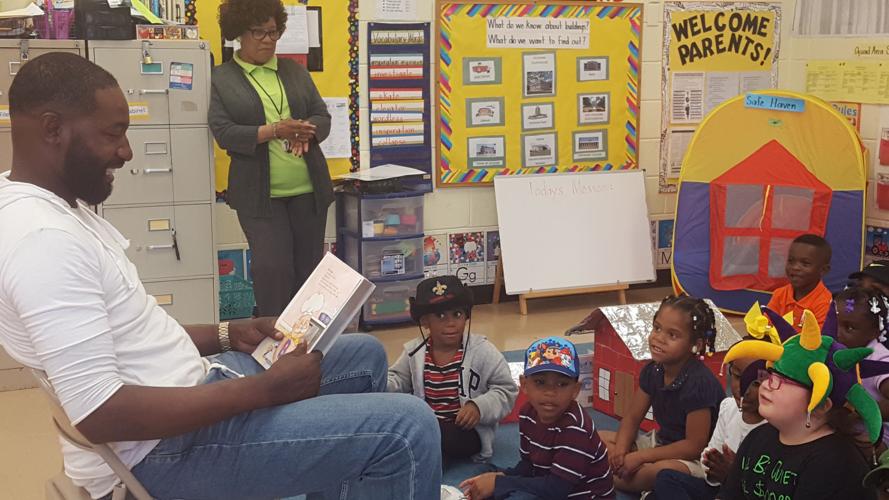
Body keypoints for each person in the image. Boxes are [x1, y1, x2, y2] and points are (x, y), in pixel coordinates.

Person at [0, 52, 440, 499]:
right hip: (162, 453)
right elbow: (98, 413)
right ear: (52, 129)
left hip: (187, 392)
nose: (126, 151)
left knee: (361, 354)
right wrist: (264, 391)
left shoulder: (49, 208)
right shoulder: (43, 240)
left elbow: (131, 335)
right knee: (408, 430)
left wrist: (230, 333)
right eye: (113, 134)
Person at [209, 0, 334, 316]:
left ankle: (307, 347)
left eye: (273, 31)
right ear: (239, 33)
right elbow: (225, 132)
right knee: (273, 271)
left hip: (308, 192)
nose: (268, 39)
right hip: (259, 197)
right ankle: (274, 349)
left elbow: (322, 116)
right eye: (258, 32)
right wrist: (275, 130)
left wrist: (307, 129)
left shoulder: (294, 71)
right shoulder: (221, 78)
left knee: (309, 275)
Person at [720, 309, 881, 500]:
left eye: (785, 380)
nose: (768, 385)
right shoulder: (759, 436)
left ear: (821, 406)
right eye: (771, 374)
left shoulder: (834, 462)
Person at [460, 337, 614, 500]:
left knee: (514, 494)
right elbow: (529, 466)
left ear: (575, 390)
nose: (550, 392)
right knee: (483, 473)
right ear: (524, 385)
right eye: (540, 382)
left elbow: (557, 489)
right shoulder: (527, 413)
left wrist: (501, 483)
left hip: (577, 494)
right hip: (547, 481)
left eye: (562, 384)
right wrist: (499, 478)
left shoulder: (575, 428)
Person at [599, 296, 725, 494]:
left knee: (661, 471)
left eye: (672, 335)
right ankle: (616, 472)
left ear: (697, 345)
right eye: (657, 328)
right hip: (660, 442)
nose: (658, 338)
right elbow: (632, 418)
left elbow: (694, 446)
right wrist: (621, 449)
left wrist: (641, 457)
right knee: (598, 438)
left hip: (693, 459)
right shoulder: (654, 370)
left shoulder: (698, 382)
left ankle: (608, 478)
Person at [388, 275, 517, 462]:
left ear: (466, 316)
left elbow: (506, 390)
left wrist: (479, 407)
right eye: (441, 316)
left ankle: (422, 453)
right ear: (425, 321)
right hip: (427, 424)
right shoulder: (414, 352)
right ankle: (420, 450)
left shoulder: (482, 350)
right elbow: (398, 380)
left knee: (441, 438)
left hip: (467, 431)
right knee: (404, 430)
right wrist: (378, 383)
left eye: (457, 314)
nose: (451, 323)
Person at [653, 355, 765, 499]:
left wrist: (734, 475)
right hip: (718, 489)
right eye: (737, 376)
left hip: (742, 494)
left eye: (755, 383)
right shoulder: (728, 407)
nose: (744, 389)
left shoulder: (772, 428)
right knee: (665, 478)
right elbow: (710, 456)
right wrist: (711, 465)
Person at [835, 286, 889, 449]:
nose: (838, 333)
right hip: (845, 433)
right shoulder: (836, 350)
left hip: (877, 440)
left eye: (849, 328)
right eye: (834, 323)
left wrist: (858, 414)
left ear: (874, 332)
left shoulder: (879, 359)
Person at [766, 233, 833, 330]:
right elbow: (766, 325)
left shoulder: (825, 303)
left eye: (805, 264)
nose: (795, 267)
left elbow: (816, 341)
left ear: (823, 270)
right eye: (791, 261)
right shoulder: (779, 294)